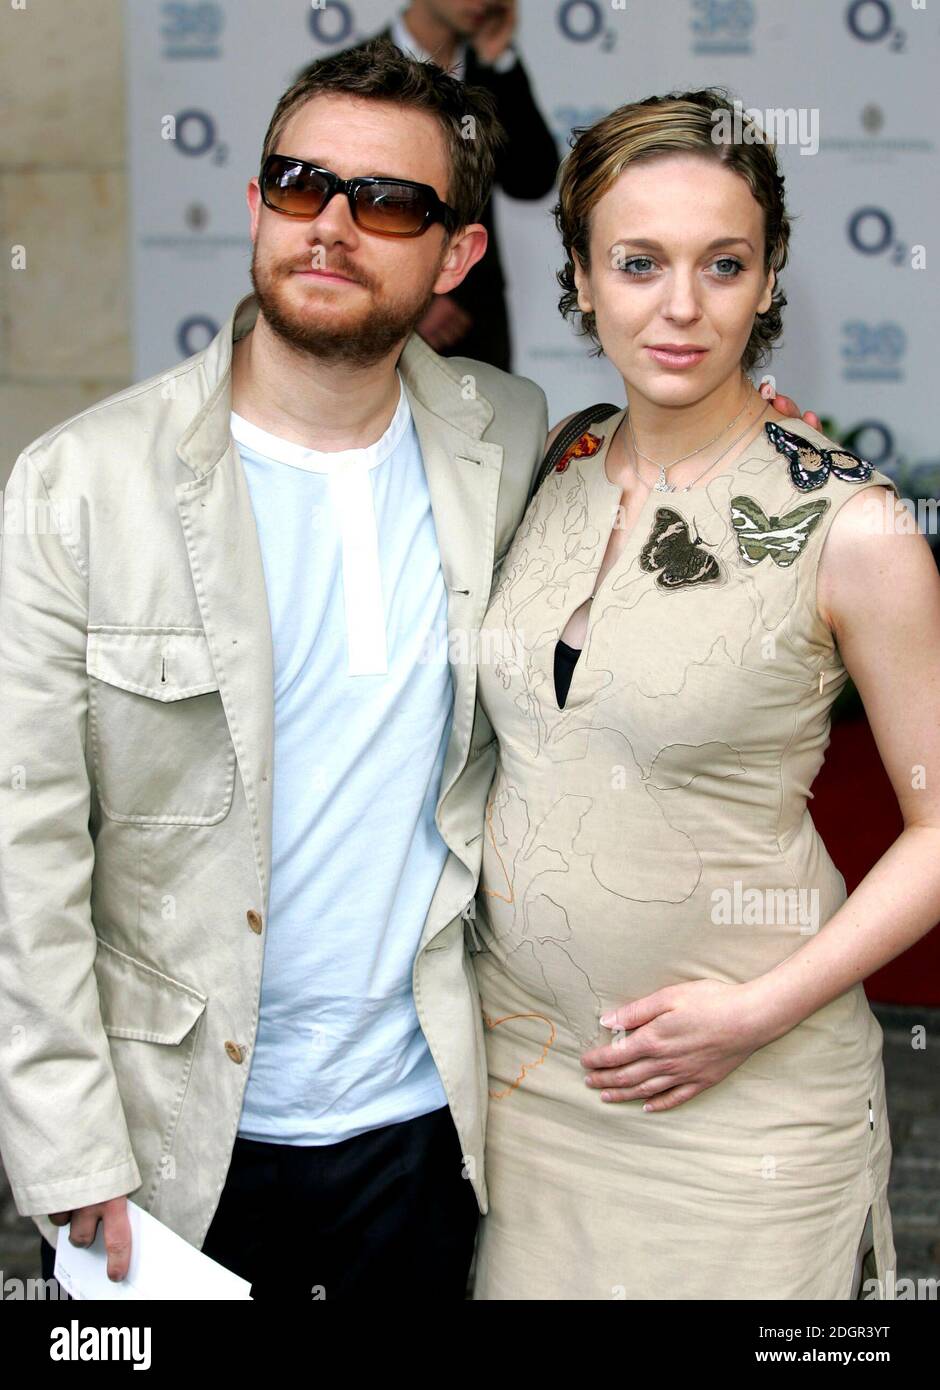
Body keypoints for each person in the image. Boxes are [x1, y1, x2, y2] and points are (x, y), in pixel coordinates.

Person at [0, 44, 813, 1301]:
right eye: (297, 183)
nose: (331, 225)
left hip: (431, 1128)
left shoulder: (506, 438)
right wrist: (63, 1143)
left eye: (386, 203)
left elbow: (665, 471)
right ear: (256, 203)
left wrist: (773, 453)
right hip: (172, 1137)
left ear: (456, 260)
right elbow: (27, 844)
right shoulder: (80, 484)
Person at [467, 89, 940, 1300]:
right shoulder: (552, 459)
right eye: (638, 262)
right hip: (526, 1084)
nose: (680, 307)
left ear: (770, 275)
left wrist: (754, 1012)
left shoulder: (858, 528)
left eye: (721, 264)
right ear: (578, 271)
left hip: (747, 1107)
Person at [317, 1, 559, 369]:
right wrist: (416, 300)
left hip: (474, 332)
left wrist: (501, 60)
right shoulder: (341, 76)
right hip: (371, 326)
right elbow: (328, 205)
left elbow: (532, 180)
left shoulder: (490, 72)